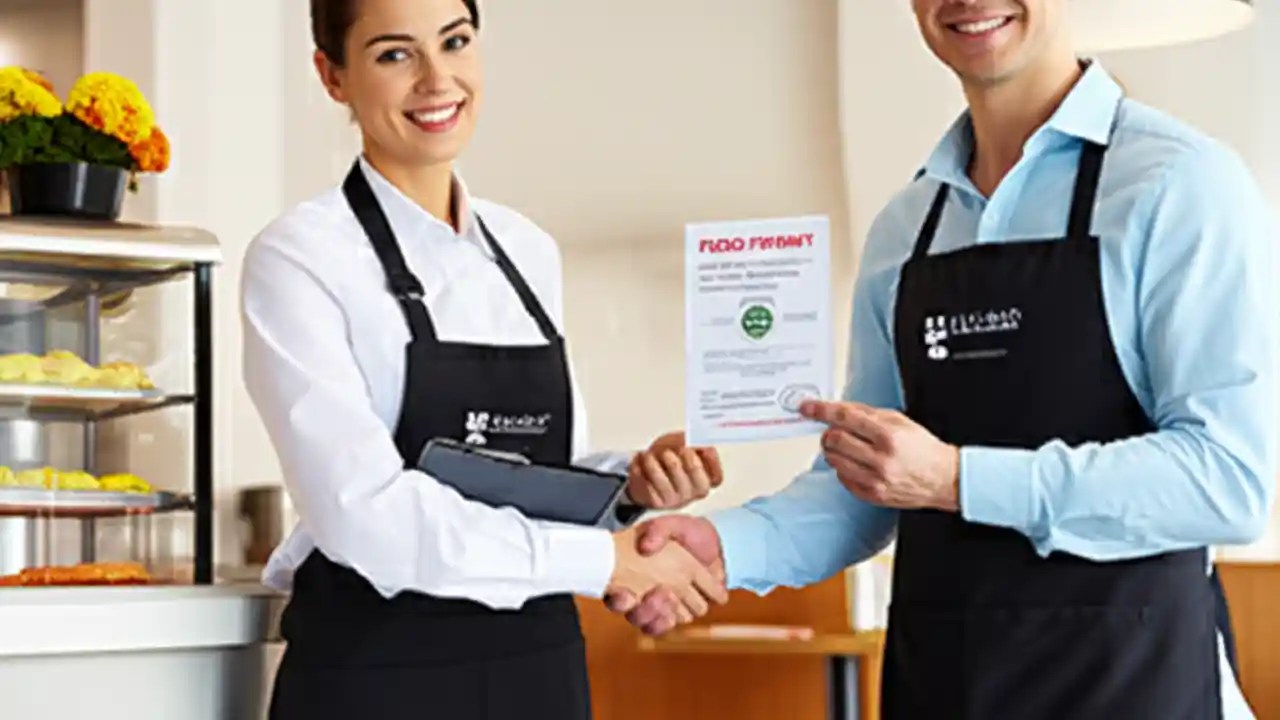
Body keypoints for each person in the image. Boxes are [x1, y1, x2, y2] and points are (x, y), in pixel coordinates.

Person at [610, 1, 1278, 718]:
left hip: (1133, 687)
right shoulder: (907, 229)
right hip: (943, 685)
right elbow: (858, 492)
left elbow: (1227, 479)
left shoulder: (1178, 185)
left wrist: (958, 479)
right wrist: (720, 545)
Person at [241, 1, 728, 717]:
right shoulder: (299, 257)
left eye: (456, 43)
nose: (438, 79)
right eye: (394, 55)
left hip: (537, 664)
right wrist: (605, 564)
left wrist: (629, 486)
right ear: (332, 76)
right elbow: (363, 514)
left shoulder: (526, 250)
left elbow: (535, 472)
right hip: (379, 669)